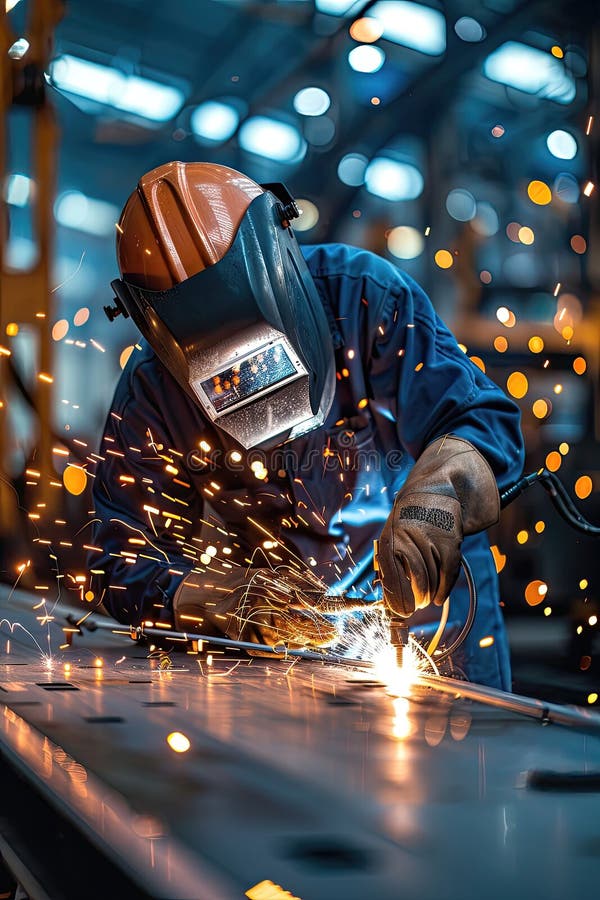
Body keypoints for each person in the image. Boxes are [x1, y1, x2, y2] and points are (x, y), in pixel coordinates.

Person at [89, 161, 524, 689]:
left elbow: (481, 419)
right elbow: (120, 562)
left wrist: (440, 494)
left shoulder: (368, 300)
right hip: (285, 651)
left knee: (475, 761)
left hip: (440, 622)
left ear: (283, 261)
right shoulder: (152, 393)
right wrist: (220, 597)